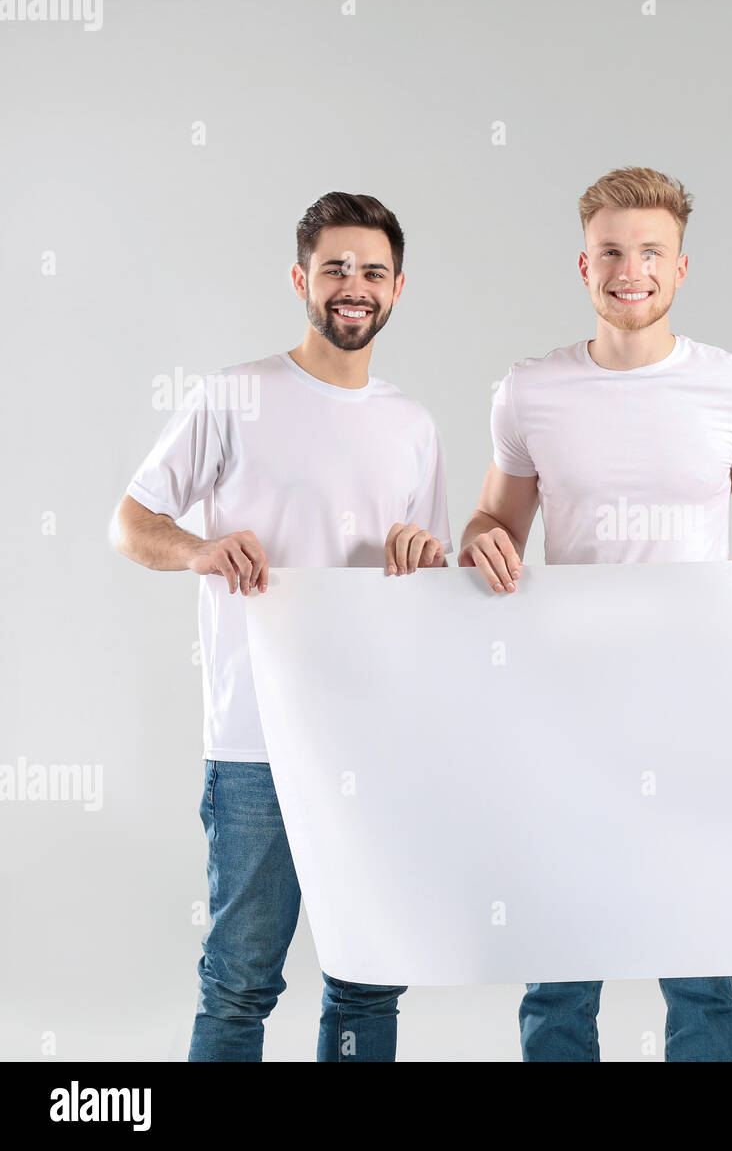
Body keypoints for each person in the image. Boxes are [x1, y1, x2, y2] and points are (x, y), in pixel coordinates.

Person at [459, 166, 732, 1061]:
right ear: (585, 268)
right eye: (611, 252)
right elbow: (496, 522)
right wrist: (480, 537)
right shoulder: (529, 392)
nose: (631, 270)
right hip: (568, 706)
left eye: (651, 252)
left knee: (700, 966)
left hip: (699, 702)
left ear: (680, 269)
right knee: (561, 963)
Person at [112, 192, 451, 1061]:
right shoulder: (235, 397)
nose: (353, 286)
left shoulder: (413, 426)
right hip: (254, 741)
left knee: (369, 983)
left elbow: (434, 592)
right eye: (335, 268)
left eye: (372, 271)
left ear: (398, 289)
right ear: (302, 279)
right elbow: (131, 522)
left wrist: (423, 557)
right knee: (239, 982)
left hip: (372, 744)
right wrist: (196, 550)